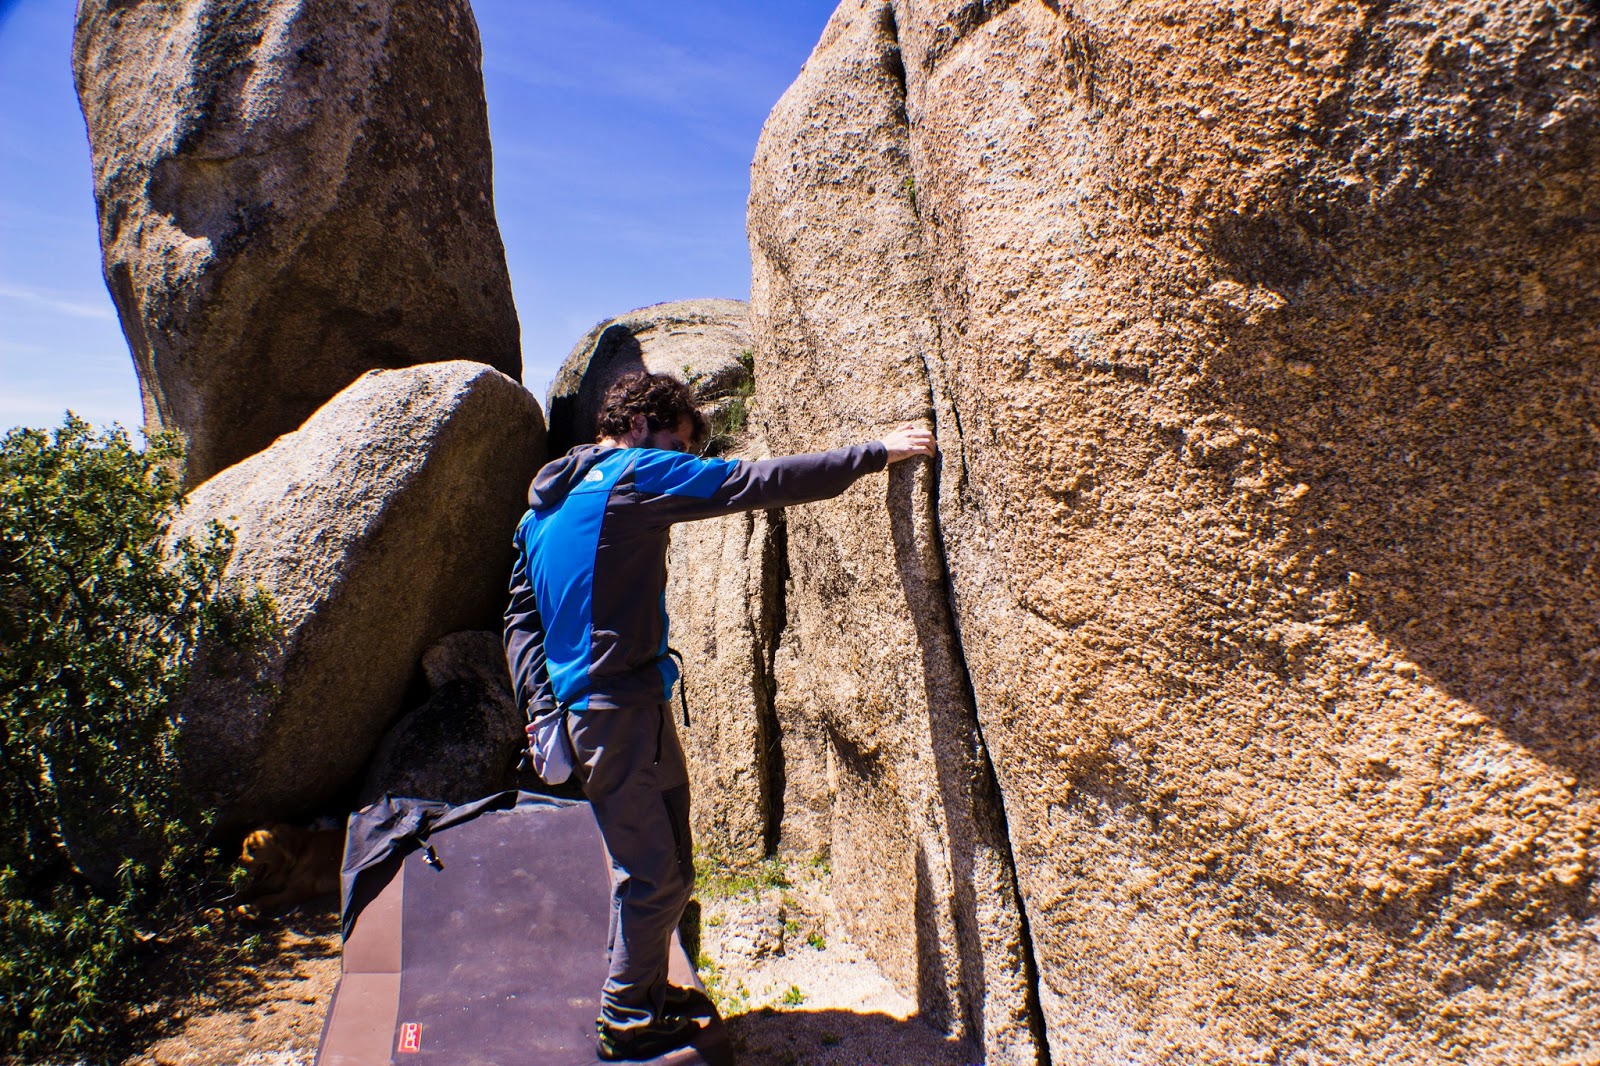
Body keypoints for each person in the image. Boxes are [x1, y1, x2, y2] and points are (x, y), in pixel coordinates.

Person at [504, 369, 935, 1061]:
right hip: (613, 713)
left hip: (612, 708)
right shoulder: (636, 475)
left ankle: (643, 986)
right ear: (641, 427)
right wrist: (874, 453)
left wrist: (539, 708)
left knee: (669, 854)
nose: (684, 462)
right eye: (678, 443)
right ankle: (626, 1022)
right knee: (652, 873)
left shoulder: (539, 512)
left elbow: (520, 620)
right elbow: (752, 483)